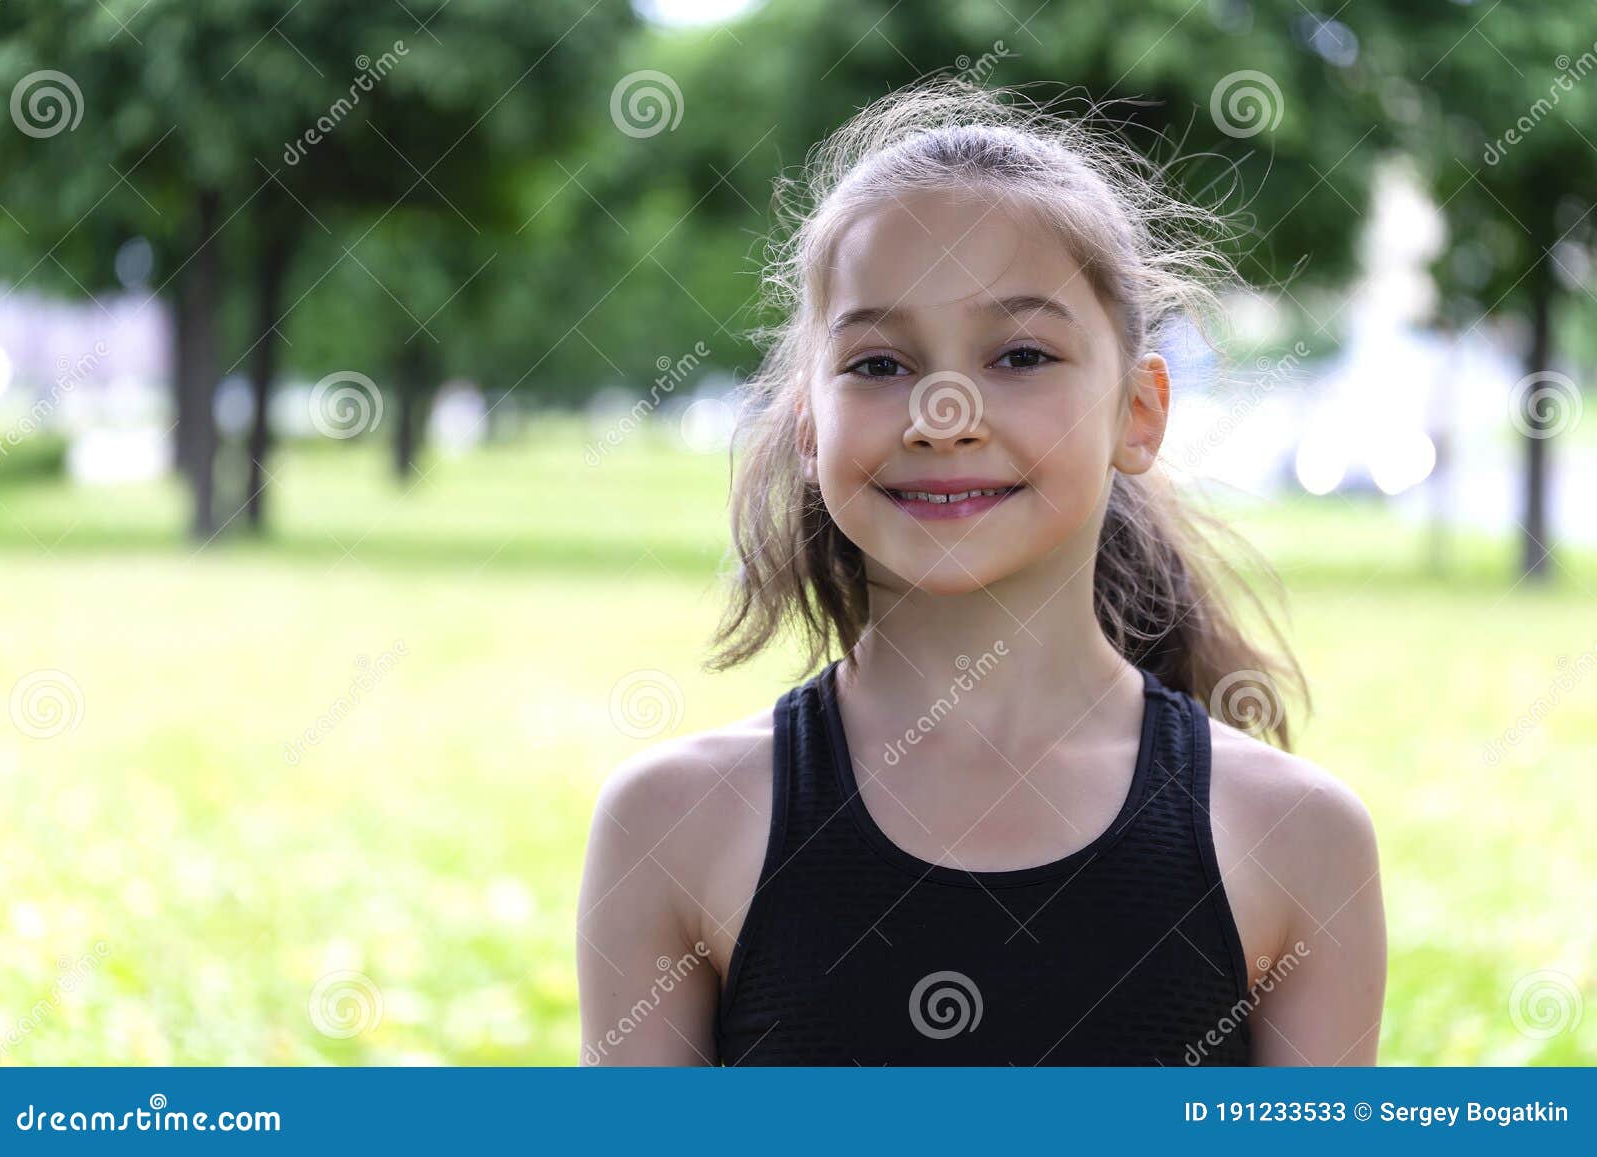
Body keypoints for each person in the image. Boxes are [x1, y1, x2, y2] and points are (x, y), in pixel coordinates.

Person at [577, 78, 1386, 1066]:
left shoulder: (1297, 837)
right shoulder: (671, 825)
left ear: (1138, 411)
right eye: (879, 364)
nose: (944, 411)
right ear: (807, 422)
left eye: (1020, 354)